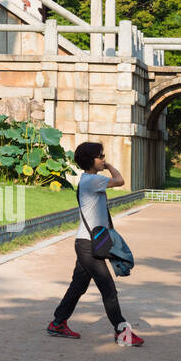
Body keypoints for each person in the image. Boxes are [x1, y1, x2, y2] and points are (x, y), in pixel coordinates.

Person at [47, 142, 143, 346]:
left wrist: (104, 164)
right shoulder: (93, 180)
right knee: (108, 289)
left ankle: (58, 323)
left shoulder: (89, 179)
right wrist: (108, 166)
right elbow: (120, 180)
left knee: (78, 286)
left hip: (89, 241)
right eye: (101, 156)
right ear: (91, 160)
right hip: (88, 244)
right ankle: (121, 331)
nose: (103, 159)